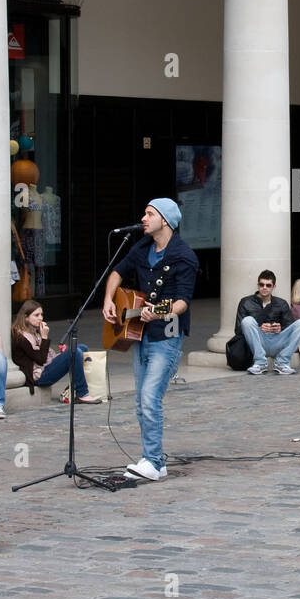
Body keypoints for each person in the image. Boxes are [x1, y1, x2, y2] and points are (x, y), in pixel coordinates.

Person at [103, 198, 197, 481]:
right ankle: (154, 460)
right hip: (140, 332)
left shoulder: (184, 256)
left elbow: (182, 302)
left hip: (167, 336)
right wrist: (108, 299)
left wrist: (158, 312)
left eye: (149, 214)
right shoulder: (142, 247)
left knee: (149, 397)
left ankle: (153, 462)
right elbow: (117, 272)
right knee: (140, 402)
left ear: (165, 221)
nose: (143, 218)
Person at [10, 300, 99, 403]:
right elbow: (40, 360)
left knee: (82, 348)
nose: (40, 318)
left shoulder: (34, 331)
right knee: (74, 352)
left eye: (41, 314)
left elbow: (46, 355)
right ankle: (82, 394)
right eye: (36, 315)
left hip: (45, 367)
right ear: (26, 317)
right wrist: (44, 337)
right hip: (38, 376)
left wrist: (60, 355)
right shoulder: (21, 337)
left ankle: (72, 388)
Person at [236, 270, 300, 375]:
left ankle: (282, 363)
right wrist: (259, 327)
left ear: (274, 287)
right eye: (261, 284)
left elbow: (290, 328)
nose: (264, 287)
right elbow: (238, 330)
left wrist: (280, 328)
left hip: (278, 341)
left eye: (268, 285)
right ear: (258, 285)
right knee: (247, 321)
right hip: (258, 342)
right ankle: (260, 363)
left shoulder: (281, 303)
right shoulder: (245, 302)